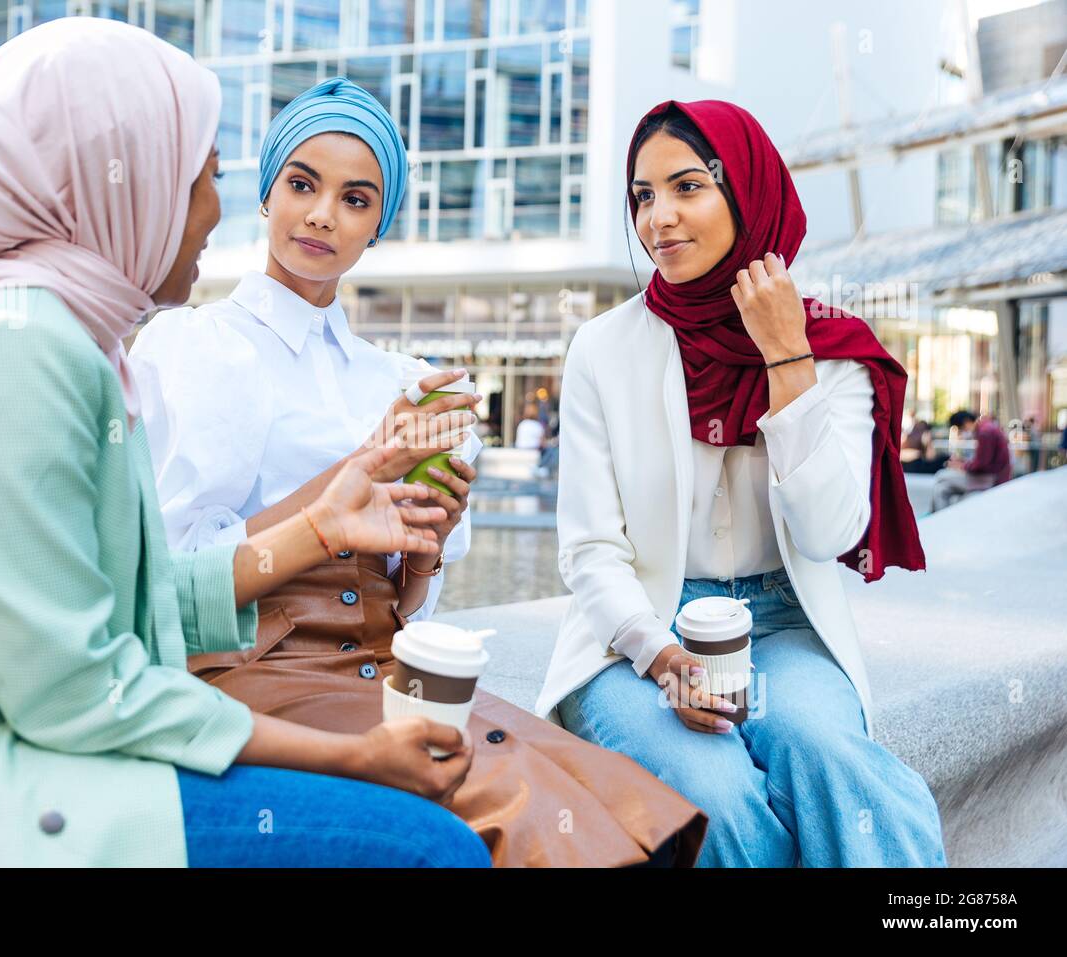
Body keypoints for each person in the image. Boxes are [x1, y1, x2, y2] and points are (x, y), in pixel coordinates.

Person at [0, 19, 492, 868]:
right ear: (121, 185)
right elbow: (78, 691)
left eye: (356, 197)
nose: (209, 214)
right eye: (202, 180)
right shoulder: (13, 351)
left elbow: (139, 602)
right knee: (429, 848)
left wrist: (328, 525)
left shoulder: (54, 332)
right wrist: (354, 758)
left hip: (20, 765)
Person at [130, 76, 709, 868]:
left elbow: (401, 602)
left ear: (380, 224)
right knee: (513, 792)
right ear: (267, 195)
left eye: (357, 198)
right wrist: (357, 478)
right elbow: (166, 584)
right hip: (253, 671)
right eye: (302, 184)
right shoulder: (199, 348)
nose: (323, 214)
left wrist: (425, 540)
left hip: (388, 659)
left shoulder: (397, 377)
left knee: (611, 786)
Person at [536, 99, 946, 867]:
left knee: (830, 754)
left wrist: (786, 359)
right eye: (643, 196)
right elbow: (590, 550)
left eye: (687, 186)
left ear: (747, 191)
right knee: (710, 796)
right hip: (637, 635)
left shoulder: (831, 348)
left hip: (787, 624)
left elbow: (830, 532)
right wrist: (661, 655)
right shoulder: (603, 347)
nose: (658, 217)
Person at [931, 410, 1012, 512]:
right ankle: (940, 518)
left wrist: (960, 466)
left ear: (966, 422)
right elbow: (983, 460)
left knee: (941, 475)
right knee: (940, 489)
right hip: (990, 475)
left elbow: (981, 464)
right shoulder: (986, 428)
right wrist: (963, 463)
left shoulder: (985, 433)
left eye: (960, 428)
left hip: (990, 478)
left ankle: (939, 519)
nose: (961, 431)